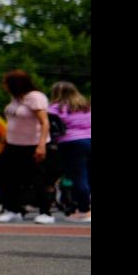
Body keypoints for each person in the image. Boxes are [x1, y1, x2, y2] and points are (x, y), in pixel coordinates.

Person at [0, 69, 53, 224]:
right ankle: (13, 209)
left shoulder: (35, 97)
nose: (3, 86)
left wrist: (41, 145)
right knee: (3, 173)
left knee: (36, 177)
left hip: (32, 144)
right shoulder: (15, 98)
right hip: (13, 144)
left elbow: (44, 122)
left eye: (5, 83)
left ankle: (45, 212)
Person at [50, 80, 91, 222]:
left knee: (79, 177)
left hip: (71, 143)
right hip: (90, 140)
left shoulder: (55, 108)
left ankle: (85, 211)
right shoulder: (86, 106)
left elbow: (50, 125)